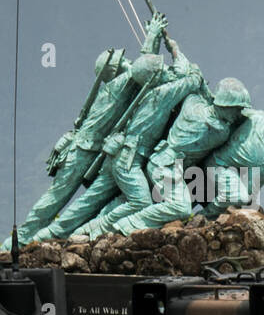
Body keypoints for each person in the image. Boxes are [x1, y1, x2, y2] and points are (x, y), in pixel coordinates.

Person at [3, 12, 167, 250]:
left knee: (82, 202)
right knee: (55, 198)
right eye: (122, 62)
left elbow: (143, 69)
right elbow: (143, 67)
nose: (127, 62)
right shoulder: (118, 88)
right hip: (81, 151)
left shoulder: (114, 88)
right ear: (116, 71)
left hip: (87, 150)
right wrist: (153, 35)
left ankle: (45, 235)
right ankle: (21, 239)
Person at [32, 36, 203, 243]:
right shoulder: (160, 94)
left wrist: (153, 39)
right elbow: (191, 78)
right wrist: (176, 50)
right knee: (140, 201)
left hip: (117, 156)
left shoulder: (142, 90)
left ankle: (53, 234)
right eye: (161, 71)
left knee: (89, 202)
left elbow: (144, 68)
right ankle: (94, 229)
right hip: (128, 160)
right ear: (154, 78)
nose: (165, 72)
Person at [80, 78, 250, 235]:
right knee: (181, 207)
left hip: (158, 160)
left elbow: (199, 92)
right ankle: (125, 225)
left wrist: (195, 77)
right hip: (167, 166)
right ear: (226, 105)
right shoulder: (219, 131)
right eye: (238, 109)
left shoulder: (192, 103)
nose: (239, 115)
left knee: (127, 201)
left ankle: (89, 229)